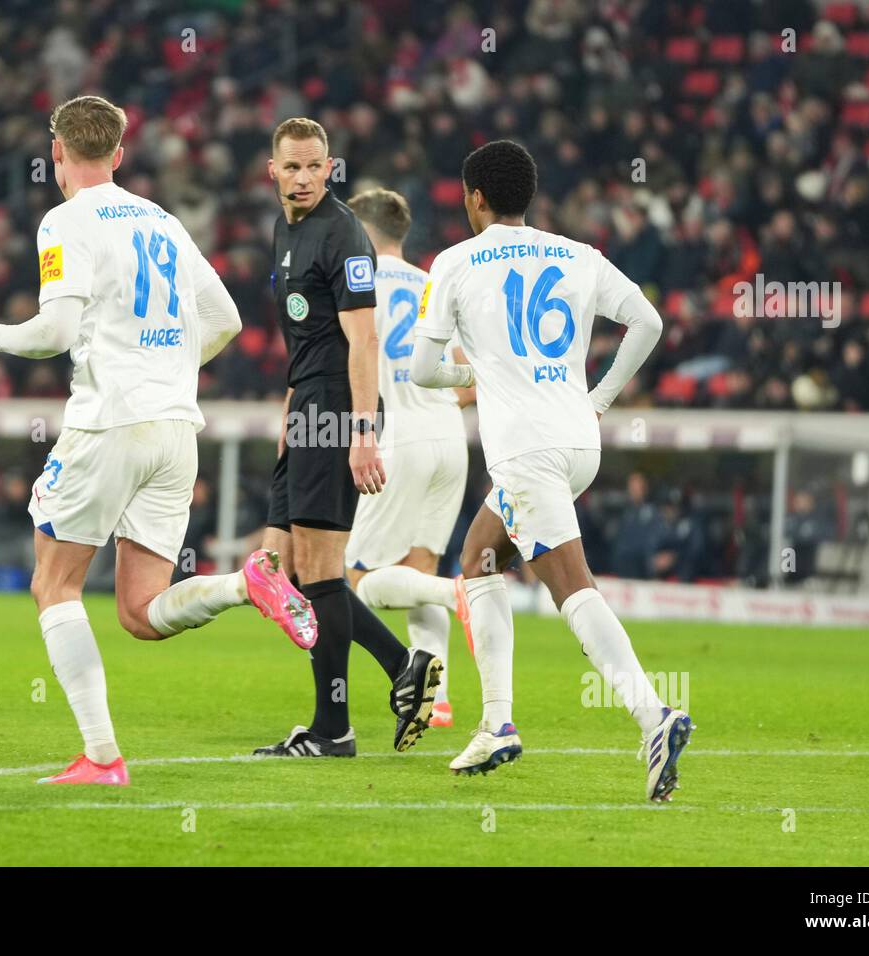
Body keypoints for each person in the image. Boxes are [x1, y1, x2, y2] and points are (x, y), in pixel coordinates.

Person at [0, 95, 316, 787]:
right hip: (175, 428)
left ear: (58, 154)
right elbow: (227, 319)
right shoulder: (163, 220)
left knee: (53, 584)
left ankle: (100, 757)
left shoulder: (66, 221)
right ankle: (247, 583)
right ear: (119, 154)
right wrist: (172, 366)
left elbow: (56, 331)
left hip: (109, 425)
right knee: (142, 612)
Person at [411, 140, 693, 801]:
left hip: (526, 449)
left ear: (475, 198)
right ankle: (495, 723)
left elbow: (424, 371)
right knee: (479, 556)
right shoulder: (578, 255)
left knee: (570, 586)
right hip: (578, 443)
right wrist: (599, 398)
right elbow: (648, 322)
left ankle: (654, 715)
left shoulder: (454, 261)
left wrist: (469, 371)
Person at [255, 118, 443, 758]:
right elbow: (302, 340)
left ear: (329, 168)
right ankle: (401, 667)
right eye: (293, 167)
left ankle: (333, 728)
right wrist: (289, 414)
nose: (304, 178)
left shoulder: (343, 234)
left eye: (315, 166)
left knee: (323, 572)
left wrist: (362, 431)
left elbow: (361, 341)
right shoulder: (286, 229)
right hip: (306, 405)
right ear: (272, 171)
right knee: (284, 570)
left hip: (338, 408)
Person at [342, 187, 473, 729]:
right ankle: (436, 698)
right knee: (420, 565)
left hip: (397, 437)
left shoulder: (356, 281)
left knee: (350, 580)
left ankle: (456, 591)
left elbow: (346, 362)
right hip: (450, 436)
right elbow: (470, 375)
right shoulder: (431, 284)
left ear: (362, 232)